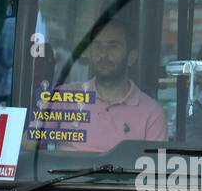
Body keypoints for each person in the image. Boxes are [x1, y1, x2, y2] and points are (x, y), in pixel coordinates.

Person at [32, 17, 166, 153]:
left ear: (131, 57)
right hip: (65, 175)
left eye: (113, 46)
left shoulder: (152, 113)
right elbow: (30, 145)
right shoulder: (64, 96)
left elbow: (154, 170)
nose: (103, 54)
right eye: (97, 45)